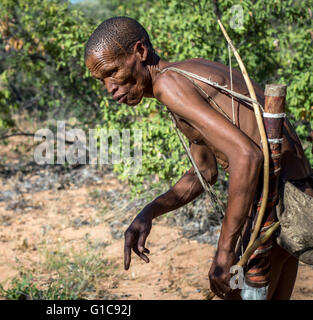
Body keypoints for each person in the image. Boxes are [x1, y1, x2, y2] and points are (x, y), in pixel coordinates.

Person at [84, 16, 313, 299]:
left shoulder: (170, 85)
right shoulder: (185, 74)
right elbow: (204, 172)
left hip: (277, 204)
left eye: (112, 72)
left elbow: (246, 157)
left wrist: (224, 250)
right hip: (292, 196)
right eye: (102, 80)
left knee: (233, 290)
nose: (110, 88)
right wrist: (149, 212)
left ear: (140, 52)